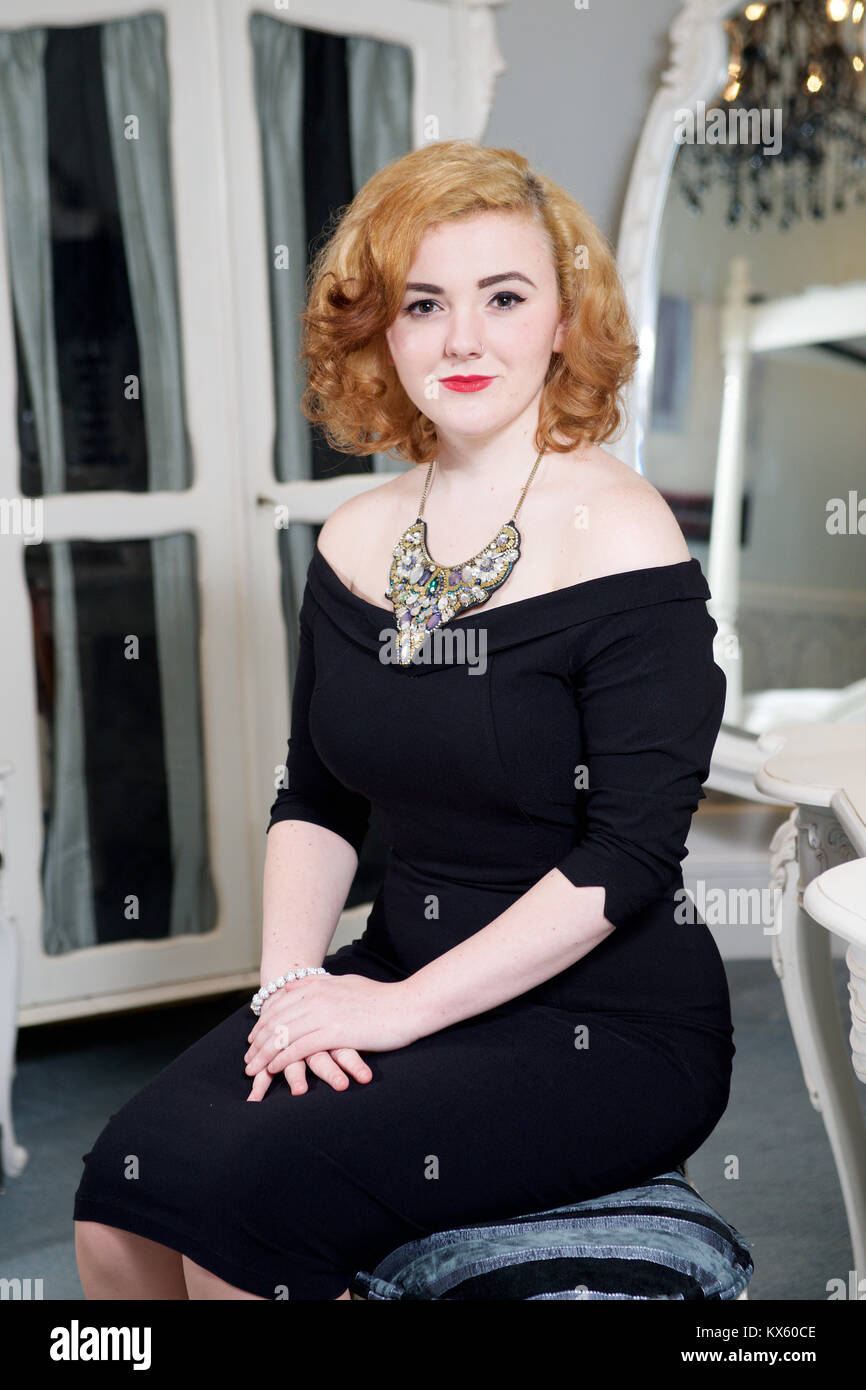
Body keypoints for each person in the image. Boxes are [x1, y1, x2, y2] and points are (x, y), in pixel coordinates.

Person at [73, 139, 734, 1301]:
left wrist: (395, 1013)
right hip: (396, 962)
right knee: (120, 1197)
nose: (462, 338)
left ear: (563, 320)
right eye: (424, 303)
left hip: (603, 1018)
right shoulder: (352, 537)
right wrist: (289, 992)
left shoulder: (624, 533)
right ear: (380, 327)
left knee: (242, 1221)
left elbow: (628, 852)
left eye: (503, 297)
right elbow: (315, 795)